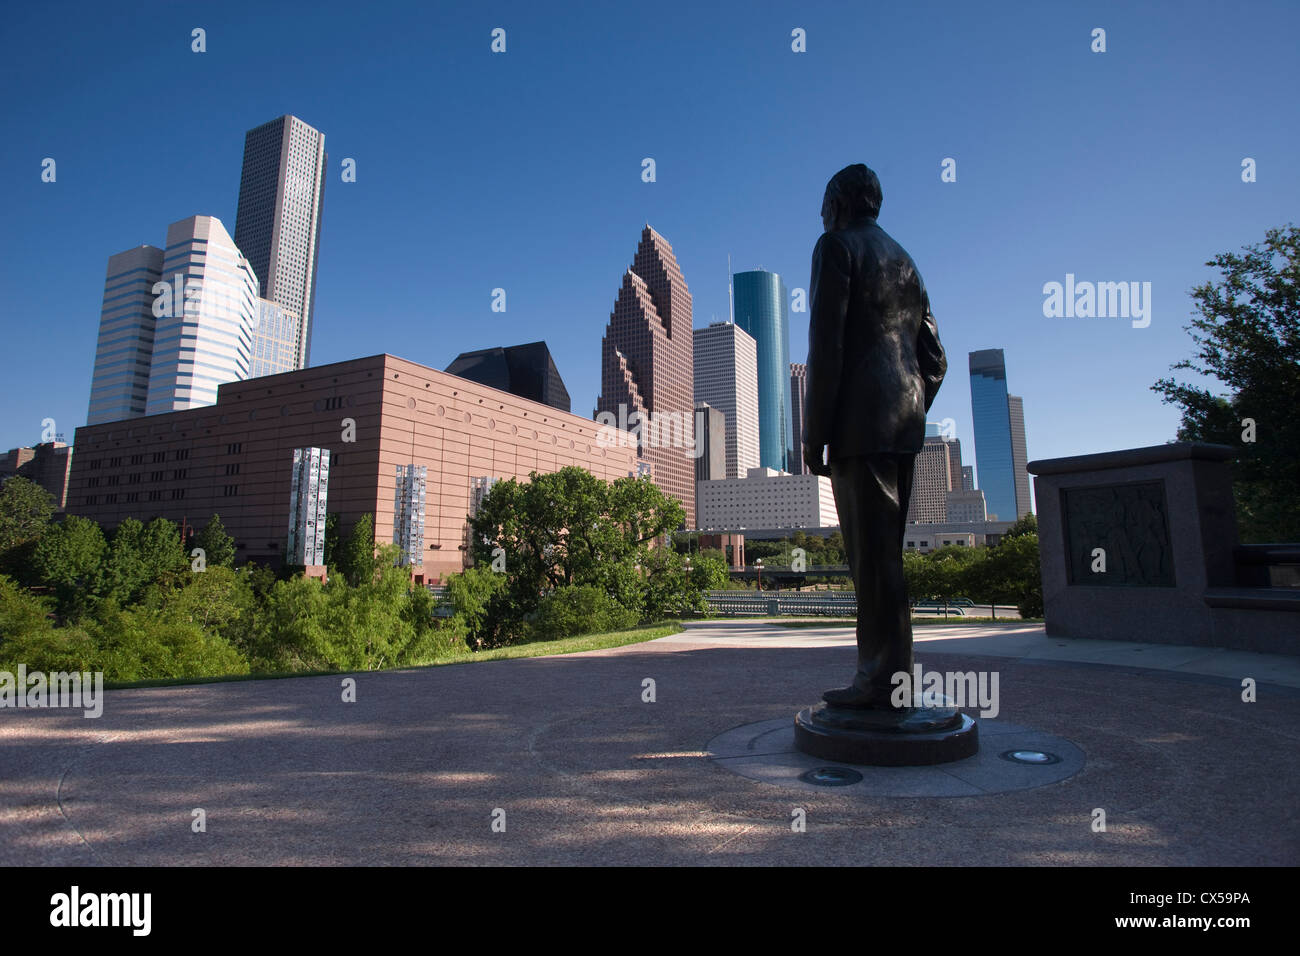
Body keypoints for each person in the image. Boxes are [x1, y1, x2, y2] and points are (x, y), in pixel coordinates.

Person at [803, 163, 947, 708]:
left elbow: (827, 348)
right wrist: (907, 407)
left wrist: (815, 432)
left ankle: (880, 682)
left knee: (871, 558)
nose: (820, 215)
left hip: (859, 429)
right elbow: (935, 360)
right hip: (902, 426)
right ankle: (892, 681)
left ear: (838, 204)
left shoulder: (835, 247)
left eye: (822, 205)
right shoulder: (905, 260)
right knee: (887, 557)